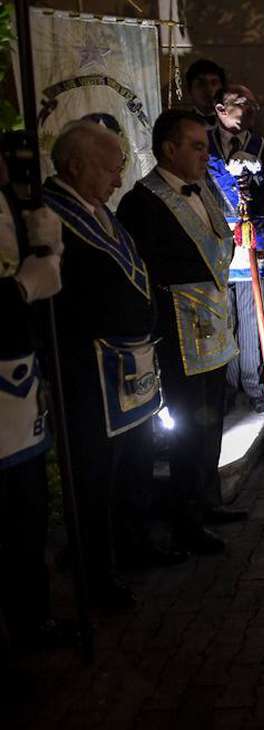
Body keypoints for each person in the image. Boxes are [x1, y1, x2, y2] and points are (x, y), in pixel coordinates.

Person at [45, 122, 189, 594]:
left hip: (131, 364)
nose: (117, 177)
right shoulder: (50, 217)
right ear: (75, 166)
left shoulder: (99, 210)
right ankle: (98, 571)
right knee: (95, 473)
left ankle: (135, 542)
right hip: (89, 370)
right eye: (110, 168)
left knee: (135, 460)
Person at [118, 109, 243, 556]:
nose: (205, 154)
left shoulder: (205, 189)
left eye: (205, 145)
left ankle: (207, 500)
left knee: (213, 419)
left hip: (212, 324)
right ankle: (184, 517)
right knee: (189, 425)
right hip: (177, 329)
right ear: (168, 149)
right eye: (196, 145)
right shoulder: (141, 201)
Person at [0, 143, 74, 647]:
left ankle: (33, 618)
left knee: (25, 509)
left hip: (19, 374)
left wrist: (45, 252)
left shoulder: (12, 196)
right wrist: (19, 290)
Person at [207, 84, 264, 414]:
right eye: (241, 103)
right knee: (223, 315)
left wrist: (255, 187)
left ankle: (252, 384)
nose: (249, 109)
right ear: (221, 109)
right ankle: (225, 384)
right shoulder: (201, 145)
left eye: (253, 104)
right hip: (214, 240)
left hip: (254, 239)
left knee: (252, 316)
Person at [184, 59, 226, 129]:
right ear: (189, 90)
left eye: (214, 83)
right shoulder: (183, 125)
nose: (209, 89)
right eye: (201, 83)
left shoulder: (234, 123)